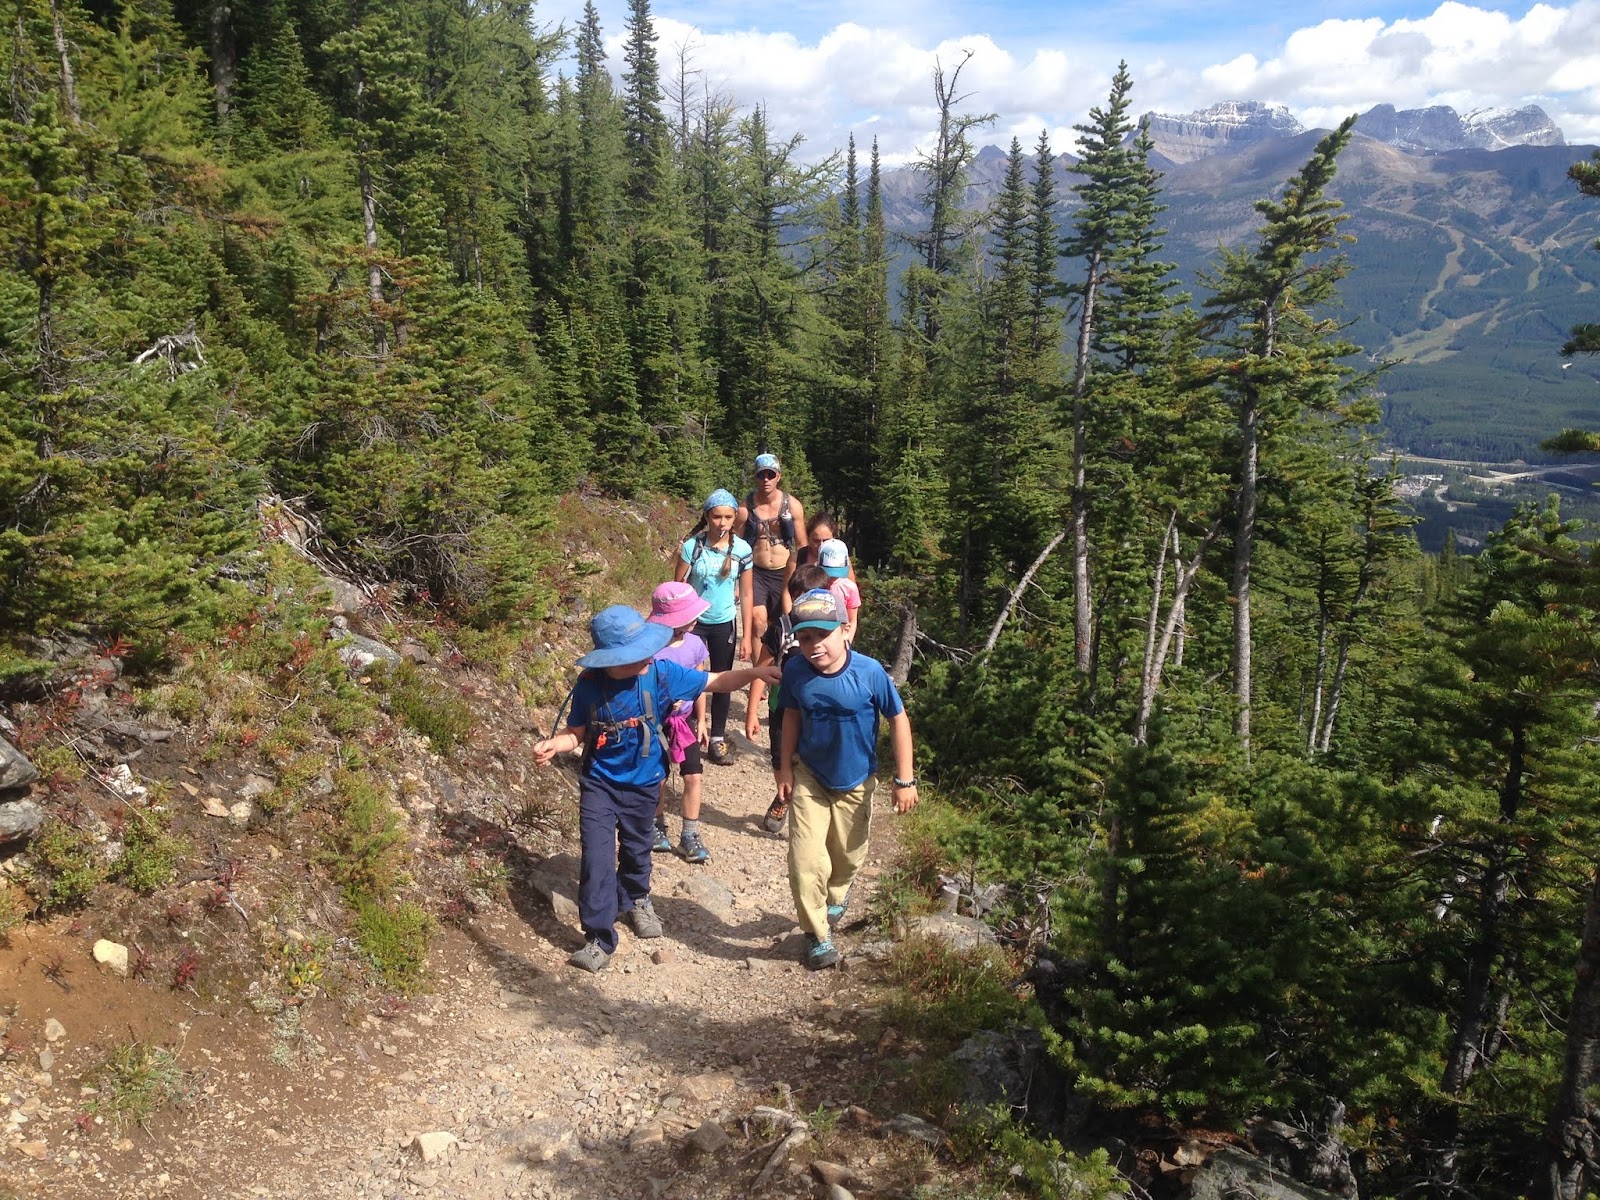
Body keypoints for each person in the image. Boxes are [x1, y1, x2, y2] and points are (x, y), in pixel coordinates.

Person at [532, 605, 778, 973]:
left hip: (645, 783)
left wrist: (754, 673)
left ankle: (635, 898)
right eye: (637, 654)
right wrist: (557, 744)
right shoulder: (589, 687)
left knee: (637, 847)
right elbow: (578, 733)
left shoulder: (660, 674)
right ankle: (599, 938)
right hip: (599, 783)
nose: (648, 656)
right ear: (612, 660)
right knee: (597, 859)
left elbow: (714, 681)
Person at [775, 589, 919, 970]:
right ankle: (817, 936)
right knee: (805, 860)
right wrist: (784, 767)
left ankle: (838, 893)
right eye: (805, 637)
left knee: (849, 856)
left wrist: (905, 779)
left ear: (845, 630)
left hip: (856, 781)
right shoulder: (795, 672)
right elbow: (789, 715)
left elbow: (898, 719)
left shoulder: (869, 672)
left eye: (822, 635)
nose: (813, 645)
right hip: (811, 776)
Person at [746, 564, 832, 832]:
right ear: (792, 598)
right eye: (800, 599)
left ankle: (806, 806)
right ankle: (784, 795)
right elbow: (761, 668)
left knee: (808, 757)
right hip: (781, 705)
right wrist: (751, 714)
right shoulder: (782, 627)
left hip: (817, 708)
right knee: (779, 756)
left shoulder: (833, 629)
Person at [674, 489, 753, 766]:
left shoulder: (743, 550)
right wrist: (675, 627)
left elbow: (746, 593)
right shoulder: (692, 547)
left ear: (734, 518)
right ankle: (685, 728)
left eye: (728, 517)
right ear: (707, 516)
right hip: (693, 623)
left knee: (721, 680)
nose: (722, 523)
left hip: (724, 622)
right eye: (717, 516)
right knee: (686, 677)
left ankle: (717, 737)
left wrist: (747, 635)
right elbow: (678, 589)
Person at [645, 581, 713, 864]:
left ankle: (690, 834)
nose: (696, 619)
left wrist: (701, 720)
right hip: (658, 723)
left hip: (684, 724)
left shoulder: (696, 644)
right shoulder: (651, 646)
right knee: (659, 778)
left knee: (693, 776)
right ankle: (656, 827)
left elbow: (700, 684)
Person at [738, 454, 807, 656]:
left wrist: (801, 578)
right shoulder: (745, 508)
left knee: (780, 624)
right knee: (758, 620)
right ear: (755, 477)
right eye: (762, 475)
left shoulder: (792, 505)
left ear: (778, 476)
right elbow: (736, 542)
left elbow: (802, 545)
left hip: (783, 572)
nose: (766, 479)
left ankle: (775, 670)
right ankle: (758, 674)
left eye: (770, 474)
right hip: (756, 570)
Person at [818, 538, 861, 644]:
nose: (833, 577)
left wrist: (847, 641)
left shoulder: (850, 587)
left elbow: (852, 620)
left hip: (840, 637)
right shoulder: (815, 584)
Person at [797, 511, 856, 583]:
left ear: (834, 538)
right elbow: (786, 592)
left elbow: (851, 587)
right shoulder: (797, 558)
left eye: (826, 541)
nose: (821, 545)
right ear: (808, 538)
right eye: (816, 541)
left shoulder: (841, 558)